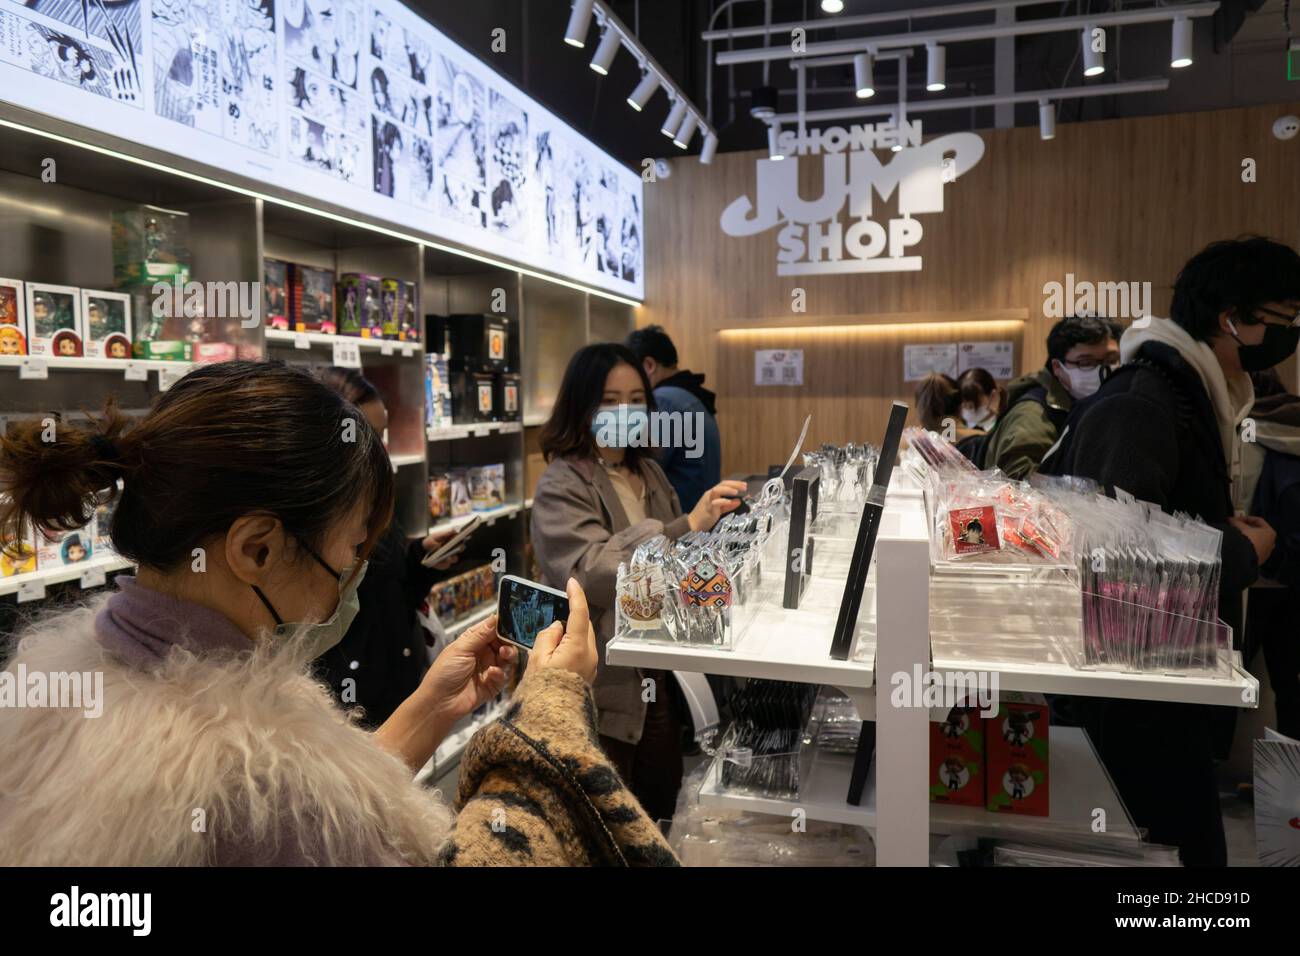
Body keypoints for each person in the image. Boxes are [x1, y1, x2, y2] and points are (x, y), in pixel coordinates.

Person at [0, 361, 677, 866]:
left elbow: (327, 808)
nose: (358, 574)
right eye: (356, 546)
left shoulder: (73, 682)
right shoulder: (246, 779)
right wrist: (547, 716)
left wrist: (427, 711)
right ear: (256, 548)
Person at [1046, 236, 1300, 866]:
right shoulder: (1145, 402)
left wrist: (1219, 527)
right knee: (1174, 861)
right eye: (1283, 319)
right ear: (1233, 319)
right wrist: (1244, 551)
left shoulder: (1180, 394)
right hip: (1136, 699)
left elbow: (1154, 521)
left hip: (1164, 681)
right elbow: (1118, 561)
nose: (1290, 335)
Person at [531, 343, 746, 822]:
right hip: (599, 685)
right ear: (581, 406)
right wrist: (678, 527)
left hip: (655, 673)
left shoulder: (647, 469)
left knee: (658, 806)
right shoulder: (563, 483)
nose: (624, 412)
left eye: (634, 400)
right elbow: (590, 573)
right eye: (609, 400)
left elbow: (673, 558)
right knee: (603, 823)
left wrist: (703, 526)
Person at [316, 367, 462, 727]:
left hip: (396, 685)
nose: (381, 450)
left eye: (382, 436)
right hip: (354, 709)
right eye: (368, 436)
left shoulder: (372, 499)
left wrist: (421, 558)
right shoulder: (316, 521)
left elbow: (392, 586)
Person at [981, 315, 1120, 479]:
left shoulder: (1097, 403)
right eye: (1086, 363)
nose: (1102, 370)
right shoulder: (1033, 414)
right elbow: (1016, 483)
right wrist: (1086, 490)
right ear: (1058, 368)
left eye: (1111, 359)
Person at [1240, 369, 1300, 740]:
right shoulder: (1294, 426)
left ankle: (1218, 773)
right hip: (1295, 580)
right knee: (1291, 687)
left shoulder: (1243, 433)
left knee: (1233, 676)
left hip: (1253, 578)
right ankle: (1290, 786)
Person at [624, 325, 722, 511]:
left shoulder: (663, 401)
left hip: (681, 519)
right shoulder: (691, 396)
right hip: (699, 514)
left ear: (649, 366)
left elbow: (645, 466)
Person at [956, 367, 1006, 432]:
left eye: (971, 406)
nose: (968, 411)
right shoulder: (955, 426)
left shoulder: (1006, 424)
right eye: (964, 406)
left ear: (993, 396)